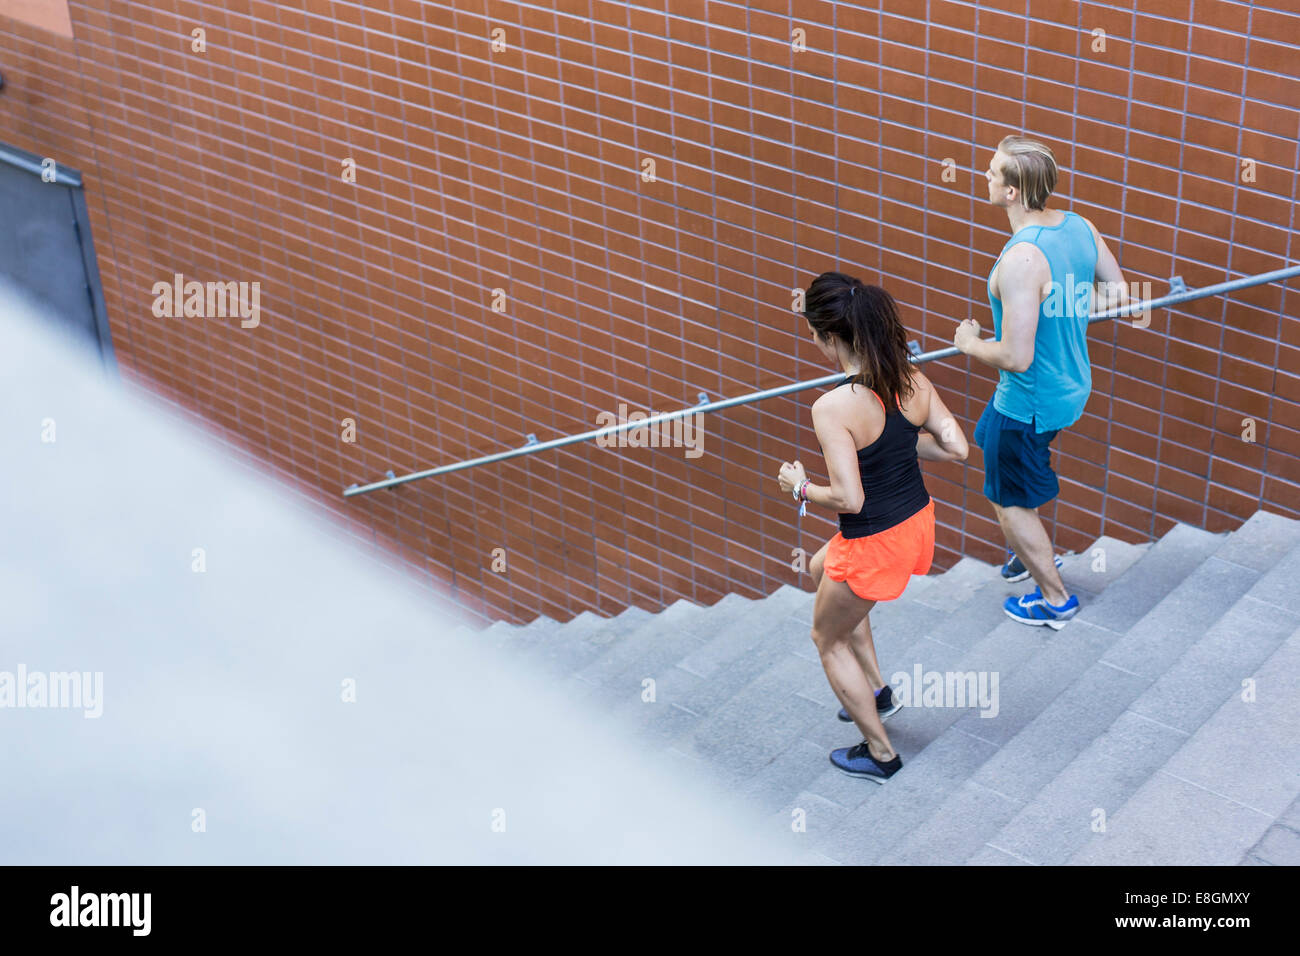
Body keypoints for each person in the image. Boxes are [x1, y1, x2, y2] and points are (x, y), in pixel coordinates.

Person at [778, 276, 968, 783]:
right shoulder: (911, 379)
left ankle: (880, 755)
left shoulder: (832, 407)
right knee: (822, 570)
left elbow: (848, 498)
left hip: (873, 542)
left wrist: (800, 487)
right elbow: (956, 449)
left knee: (825, 638)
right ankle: (877, 691)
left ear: (828, 337)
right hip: (915, 524)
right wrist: (902, 445)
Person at [954, 134, 1128, 629]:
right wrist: (1064, 311)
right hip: (1070, 385)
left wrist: (968, 343)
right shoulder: (1078, 226)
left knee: (1009, 499)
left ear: (1012, 192)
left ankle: (1054, 599)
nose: (984, 176)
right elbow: (1118, 295)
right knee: (988, 440)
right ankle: (1023, 552)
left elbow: (1013, 354)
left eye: (992, 171)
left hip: (1029, 401)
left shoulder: (1020, 260)